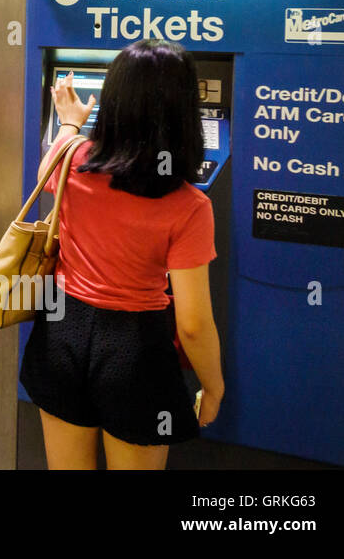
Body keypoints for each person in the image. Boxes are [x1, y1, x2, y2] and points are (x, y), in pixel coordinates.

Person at [20, 39, 224, 469]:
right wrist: (215, 386)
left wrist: (70, 123)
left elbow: (45, 172)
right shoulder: (189, 207)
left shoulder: (72, 160)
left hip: (60, 333)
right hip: (136, 352)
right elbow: (192, 323)